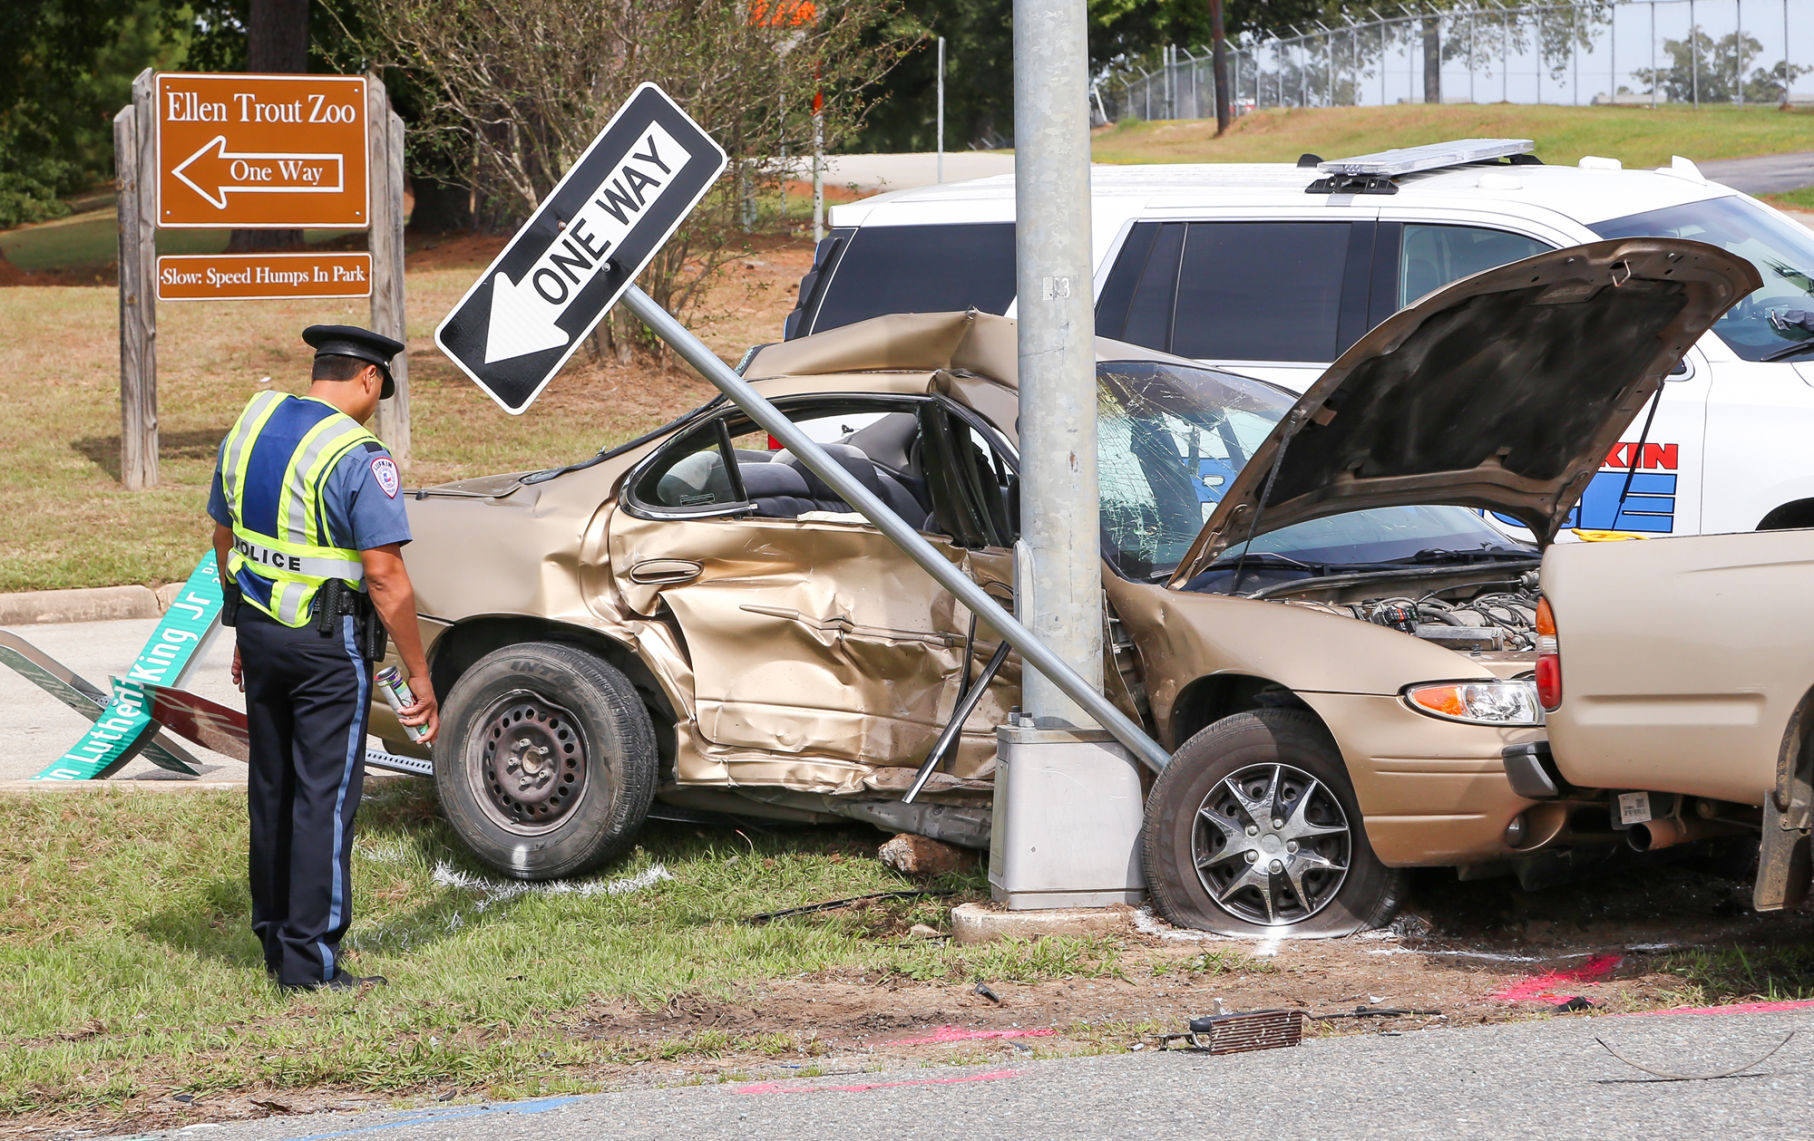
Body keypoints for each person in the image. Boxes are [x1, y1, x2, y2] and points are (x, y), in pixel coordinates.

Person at [207, 324, 439, 992]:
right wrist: (418, 673)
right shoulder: (359, 455)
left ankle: (275, 938)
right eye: (379, 392)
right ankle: (310, 963)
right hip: (327, 648)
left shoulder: (251, 424)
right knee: (324, 797)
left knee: (272, 788)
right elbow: (385, 577)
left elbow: (224, 536)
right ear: (369, 378)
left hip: (261, 632)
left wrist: (242, 623)